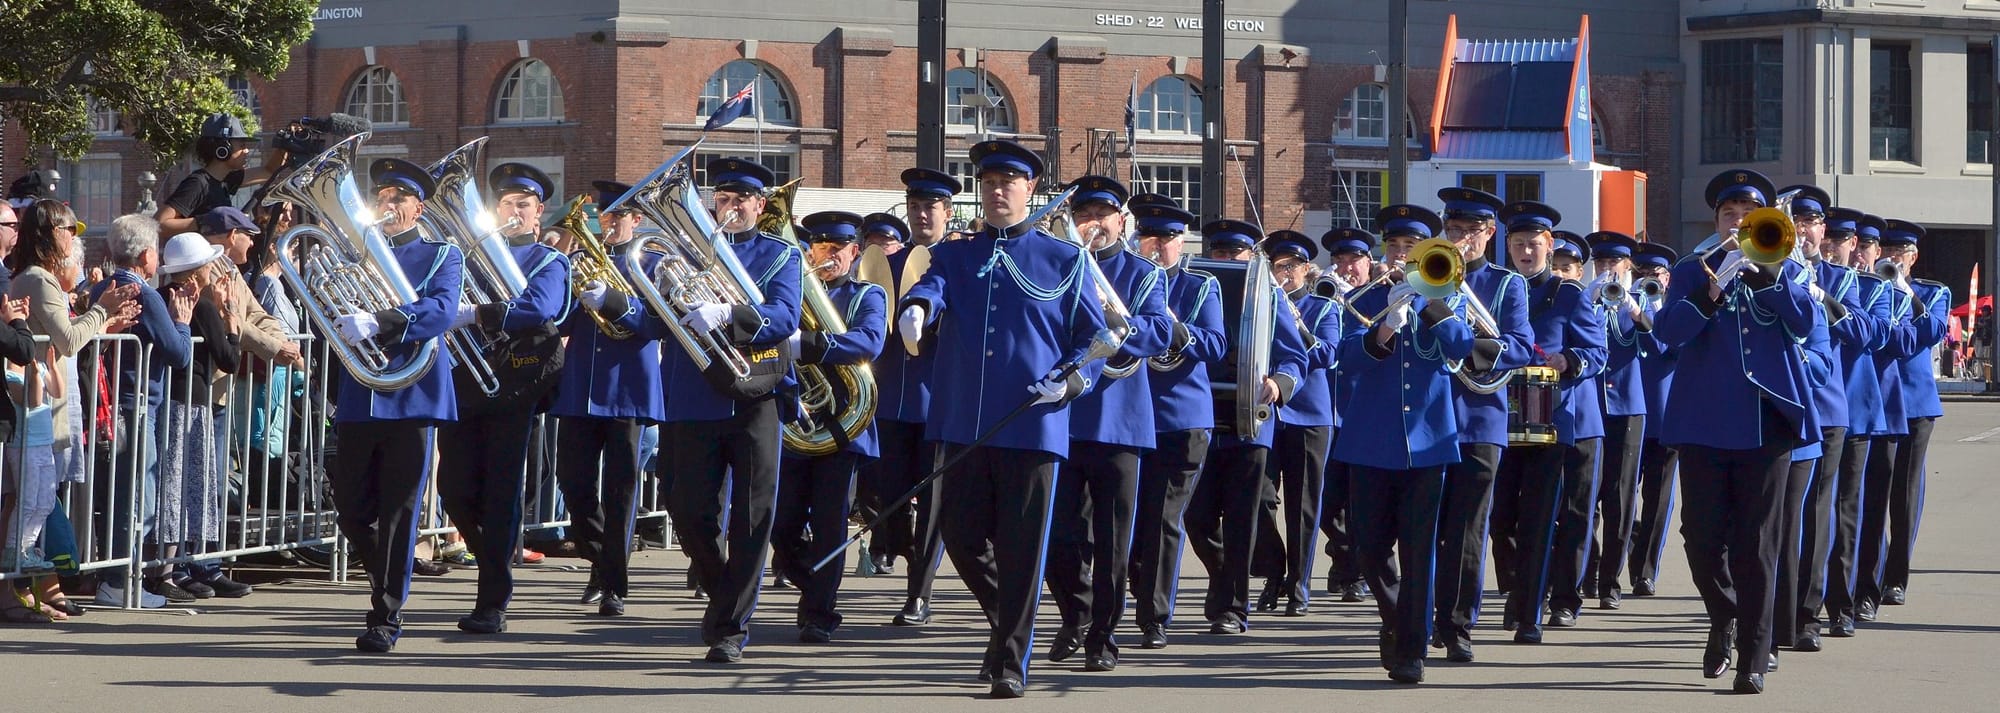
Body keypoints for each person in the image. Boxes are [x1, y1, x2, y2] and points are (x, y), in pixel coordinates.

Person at [895, 139, 1109, 698]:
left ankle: (1012, 659)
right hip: (962, 422)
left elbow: (1094, 339)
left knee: (1022, 547)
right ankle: (1004, 623)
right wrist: (916, 308)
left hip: (1033, 427)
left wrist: (1070, 379)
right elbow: (932, 287)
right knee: (963, 539)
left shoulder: (1063, 259)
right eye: (988, 182)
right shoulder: (957, 255)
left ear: (1029, 189)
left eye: (1008, 182)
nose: (996, 190)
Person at [1654, 168, 1817, 694]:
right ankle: (1723, 614)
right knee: (1700, 540)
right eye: (1729, 214)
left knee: (1757, 543)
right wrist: (1712, 287)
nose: (1739, 222)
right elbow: (1668, 334)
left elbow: (1804, 324)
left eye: (1748, 214)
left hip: (1766, 422)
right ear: (1717, 220)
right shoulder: (1690, 269)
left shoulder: (1785, 267)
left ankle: (1754, 652)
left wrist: (1768, 278)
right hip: (1703, 421)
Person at [657, 157, 801, 665]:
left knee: (753, 515)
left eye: (743, 199)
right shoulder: (683, 254)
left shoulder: (780, 254)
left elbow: (784, 315)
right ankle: (723, 594)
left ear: (761, 206)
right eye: (724, 197)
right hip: (696, 395)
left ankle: (732, 629)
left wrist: (729, 313)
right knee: (688, 507)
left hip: (757, 394)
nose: (732, 206)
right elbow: (654, 316)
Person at [1330, 206, 1476, 684]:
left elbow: (1463, 349)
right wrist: (1388, 322)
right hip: (1370, 443)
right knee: (1370, 550)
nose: (1401, 256)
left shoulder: (1449, 292)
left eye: (1411, 249)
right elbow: (1346, 359)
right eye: (1394, 247)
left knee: (1419, 552)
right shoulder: (1364, 298)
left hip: (1430, 444)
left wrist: (1431, 305)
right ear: (1383, 253)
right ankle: (1396, 619)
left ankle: (1412, 650)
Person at [324, 158, 464, 652]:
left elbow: (443, 310)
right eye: (382, 196)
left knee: (400, 513)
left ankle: (386, 615)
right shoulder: (356, 253)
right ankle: (386, 571)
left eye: (399, 199)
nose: (388, 205)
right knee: (351, 511)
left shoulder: (441, 254)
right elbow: (326, 303)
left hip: (413, 395)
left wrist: (379, 321)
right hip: (362, 395)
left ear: (417, 208)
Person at [433, 162, 572, 635]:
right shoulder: (468, 257)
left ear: (539, 214)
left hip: (517, 384)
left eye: (524, 206)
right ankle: (494, 558)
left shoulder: (549, 261)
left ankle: (493, 598)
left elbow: (540, 308)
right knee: (453, 487)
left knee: (500, 492)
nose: (515, 212)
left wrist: (475, 313)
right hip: (466, 383)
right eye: (507, 205)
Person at [1041, 176, 1172, 671]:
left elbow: (1159, 331)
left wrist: (1118, 322)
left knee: (1115, 539)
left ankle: (1103, 636)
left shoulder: (1143, 273)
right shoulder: (1057, 267)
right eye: (1083, 214)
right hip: (1065, 417)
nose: (1092, 223)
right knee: (1060, 534)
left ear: (1122, 221)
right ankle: (1075, 617)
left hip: (1119, 420)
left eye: (1102, 214)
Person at [6, 200, 140, 615]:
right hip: (34, 406)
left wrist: (102, 319)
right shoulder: (39, 280)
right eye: (69, 229)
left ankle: (38, 589)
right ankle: (27, 588)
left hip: (47, 400)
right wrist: (103, 309)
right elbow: (65, 340)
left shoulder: (38, 278)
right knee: (31, 498)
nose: (73, 236)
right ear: (49, 232)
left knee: (41, 497)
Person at [1424, 190, 1535, 663]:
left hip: (1478, 421)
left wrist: (1468, 345)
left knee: (1468, 529)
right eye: (1452, 231)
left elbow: (1520, 346)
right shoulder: (1426, 275)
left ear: (1490, 233)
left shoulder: (1508, 284)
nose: (1459, 240)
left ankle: (1457, 624)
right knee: (1425, 527)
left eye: (1469, 232)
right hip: (1428, 420)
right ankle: (1421, 615)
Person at [1182, 219, 1306, 638]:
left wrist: (1279, 382)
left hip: (1250, 422)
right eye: (1220, 252)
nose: (1227, 260)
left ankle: (1233, 608)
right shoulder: (1195, 290)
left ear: (1251, 257)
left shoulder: (1268, 296)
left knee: (1241, 519)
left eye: (1236, 253)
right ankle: (1223, 579)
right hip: (1200, 418)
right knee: (1197, 518)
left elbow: (1295, 357)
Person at [1489, 204, 1605, 642]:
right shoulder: (1498, 292)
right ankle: (1519, 593)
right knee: (1501, 520)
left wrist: (1568, 360)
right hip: (1499, 418)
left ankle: (1535, 610)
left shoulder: (1569, 294)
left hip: (1550, 420)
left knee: (1542, 518)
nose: (1525, 251)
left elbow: (1596, 353)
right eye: (1517, 243)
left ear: (1548, 246)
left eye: (1533, 244)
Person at [770, 210, 887, 643]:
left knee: (830, 524)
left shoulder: (867, 295)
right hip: (796, 423)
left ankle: (818, 612)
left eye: (837, 249)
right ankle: (814, 587)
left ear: (854, 253)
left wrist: (811, 343)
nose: (828, 256)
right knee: (781, 526)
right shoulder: (792, 294)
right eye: (820, 248)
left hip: (844, 428)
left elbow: (870, 341)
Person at [552, 180, 663, 616]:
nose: (609, 222)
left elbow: (658, 323)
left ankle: (614, 584)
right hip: (580, 388)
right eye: (604, 215)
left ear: (636, 220)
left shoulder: (651, 263)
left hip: (629, 389)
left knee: (620, 490)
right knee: (573, 482)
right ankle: (602, 560)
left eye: (618, 215)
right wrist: (561, 281)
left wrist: (615, 301)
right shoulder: (578, 260)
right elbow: (559, 322)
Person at [1125, 196, 1226, 651]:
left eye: (1165, 238)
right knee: (1126, 517)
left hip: (1182, 417)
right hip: (1130, 414)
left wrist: (1171, 326)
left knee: (1165, 518)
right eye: (1149, 236)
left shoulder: (1201, 285)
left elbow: (1215, 344)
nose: (1156, 246)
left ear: (1181, 241)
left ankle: (1155, 615)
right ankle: (1132, 591)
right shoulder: (1125, 280)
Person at [864, 168, 960, 626]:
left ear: (947, 212)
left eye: (930, 208)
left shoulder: (959, 262)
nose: (922, 215)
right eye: (916, 207)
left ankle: (918, 593)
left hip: (937, 401)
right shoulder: (892, 262)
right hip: (889, 400)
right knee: (889, 501)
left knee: (934, 503)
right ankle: (899, 553)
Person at [89, 215, 196, 609]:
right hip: (135, 406)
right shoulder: (144, 294)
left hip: (113, 405)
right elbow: (178, 352)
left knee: (119, 495)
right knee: (137, 499)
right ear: (147, 254)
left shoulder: (103, 285)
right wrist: (182, 322)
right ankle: (119, 581)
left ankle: (118, 578)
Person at [1250, 229, 1340, 618]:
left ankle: (1299, 582)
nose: (1283, 273)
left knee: (1302, 505)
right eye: (1276, 266)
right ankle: (1274, 569)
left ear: (1306, 268)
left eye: (1290, 266)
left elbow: (1328, 355)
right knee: (1259, 497)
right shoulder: (1261, 304)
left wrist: (1298, 325)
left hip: (1309, 415)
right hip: (1266, 412)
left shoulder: (1324, 307)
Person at [149, 234, 242, 603]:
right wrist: (231, 321)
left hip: (166, 399)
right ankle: (174, 570)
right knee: (186, 485)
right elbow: (229, 360)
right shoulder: (200, 306)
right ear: (198, 270)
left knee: (172, 483)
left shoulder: (163, 297)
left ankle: (175, 569)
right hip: (191, 403)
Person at [1821, 208, 1895, 639]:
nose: (1832, 246)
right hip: (1807, 408)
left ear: (1856, 246)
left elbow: (1874, 334)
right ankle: (1797, 600)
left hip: (1854, 407)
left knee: (1848, 509)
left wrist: (1824, 299)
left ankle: (1843, 601)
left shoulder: (1870, 288)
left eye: (1844, 240)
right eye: (1826, 236)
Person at [1870, 219, 1948, 611]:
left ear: (1913, 257)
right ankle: (1872, 568)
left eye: (1898, 253)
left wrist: (1903, 292)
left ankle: (1896, 577)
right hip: (1878, 401)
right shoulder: (1864, 290)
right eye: (1884, 251)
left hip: (1915, 402)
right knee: (1870, 490)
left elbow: (1932, 331)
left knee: (1904, 492)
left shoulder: (1932, 293)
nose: (1890, 258)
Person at [1583, 231, 1655, 613]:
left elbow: (1660, 347)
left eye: (1615, 264)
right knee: (1586, 495)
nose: (1608, 270)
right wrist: (1588, 302)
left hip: (1628, 408)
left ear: (1628, 267)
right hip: (1591, 407)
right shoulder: (1586, 301)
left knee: (1621, 498)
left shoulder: (1644, 300)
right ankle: (1588, 572)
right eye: (1602, 263)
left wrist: (1636, 313)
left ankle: (1611, 581)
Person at [1318, 227, 1380, 605]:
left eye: (1353, 260)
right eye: (1339, 260)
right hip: (1327, 411)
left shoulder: (1379, 299)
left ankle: (1352, 570)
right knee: (1326, 500)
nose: (1345, 268)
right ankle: (1342, 557)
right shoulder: (1323, 298)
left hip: (1363, 411)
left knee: (1359, 501)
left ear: (1368, 263)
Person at [1627, 242, 1682, 598]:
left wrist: (1642, 316)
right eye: (1641, 274)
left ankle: (1644, 570)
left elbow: (1669, 345)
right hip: (1627, 412)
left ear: (1667, 278)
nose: (1648, 281)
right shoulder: (1619, 302)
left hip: (1664, 415)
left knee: (1658, 499)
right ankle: (1626, 550)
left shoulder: (1674, 309)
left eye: (1656, 275)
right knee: (1618, 495)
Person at [155, 112, 287, 235]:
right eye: (242, 145)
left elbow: (268, 172)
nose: (246, 150)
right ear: (223, 149)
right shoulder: (198, 183)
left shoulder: (226, 179)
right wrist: (207, 221)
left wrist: (285, 144)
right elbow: (159, 224)